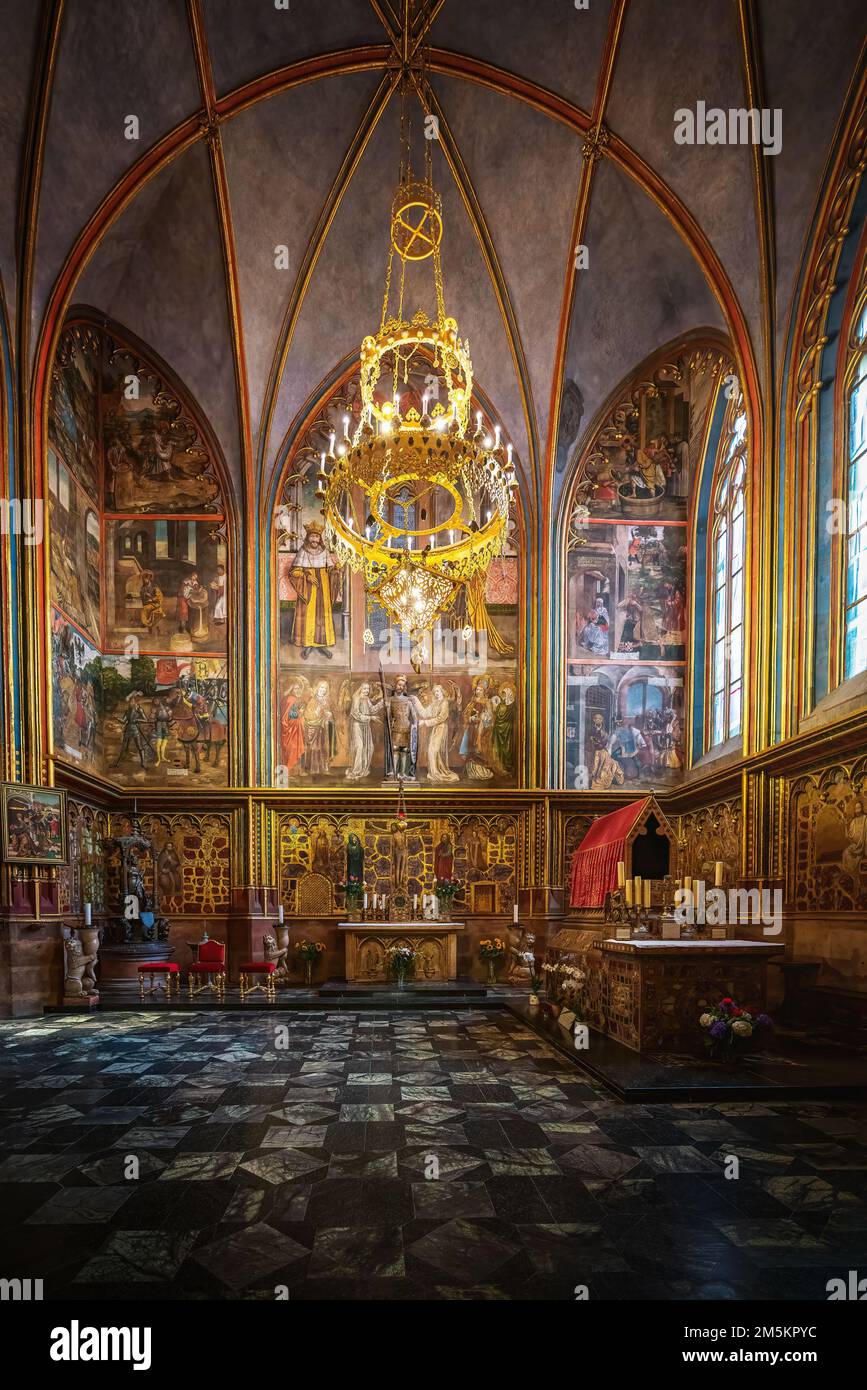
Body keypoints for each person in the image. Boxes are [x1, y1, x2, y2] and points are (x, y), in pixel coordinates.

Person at [286, 522, 342, 659]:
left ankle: (323, 644)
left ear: (320, 538)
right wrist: (307, 575)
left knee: (323, 614)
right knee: (308, 614)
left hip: (323, 585)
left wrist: (335, 569)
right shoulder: (303, 551)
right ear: (308, 537)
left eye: (317, 537)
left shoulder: (325, 551)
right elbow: (293, 572)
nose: (314, 540)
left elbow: (330, 567)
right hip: (308, 587)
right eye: (312, 536)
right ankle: (308, 643)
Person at [417, 684, 458, 783]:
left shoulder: (444, 703)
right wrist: (416, 702)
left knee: (433, 750)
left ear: (442, 692)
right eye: (435, 692)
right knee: (431, 750)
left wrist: (425, 722)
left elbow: (441, 718)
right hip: (434, 729)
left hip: (441, 728)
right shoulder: (434, 703)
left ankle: (437, 772)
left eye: (438, 691)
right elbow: (425, 713)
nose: (436, 693)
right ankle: (434, 772)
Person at [345, 681, 381, 780]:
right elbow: (356, 714)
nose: (366, 691)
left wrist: (382, 703)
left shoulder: (367, 699)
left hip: (366, 726)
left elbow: (372, 710)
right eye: (364, 688)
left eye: (368, 689)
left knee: (369, 747)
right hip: (358, 726)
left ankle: (363, 769)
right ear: (361, 689)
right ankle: (356, 771)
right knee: (360, 747)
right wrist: (370, 718)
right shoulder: (357, 699)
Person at [385, 674, 418, 780]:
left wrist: (414, 727)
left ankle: (403, 773)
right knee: (395, 750)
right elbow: (387, 717)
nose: (401, 687)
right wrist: (387, 711)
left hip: (406, 729)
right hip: (395, 729)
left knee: (404, 751)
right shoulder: (390, 700)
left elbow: (414, 717)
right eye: (399, 685)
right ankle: (395, 772)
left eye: (403, 686)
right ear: (395, 685)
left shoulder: (408, 701)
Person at [303, 680, 335, 776]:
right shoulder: (313, 700)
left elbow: (330, 714)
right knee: (315, 748)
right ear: (317, 688)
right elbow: (307, 715)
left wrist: (329, 715)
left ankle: (325, 768)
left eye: (325, 688)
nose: (323, 690)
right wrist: (317, 712)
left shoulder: (327, 701)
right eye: (321, 687)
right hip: (315, 728)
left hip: (325, 727)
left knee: (325, 747)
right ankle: (314, 769)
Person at [280, 681, 306, 776]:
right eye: (295, 688)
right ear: (291, 690)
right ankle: (292, 772)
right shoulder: (293, 700)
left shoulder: (288, 699)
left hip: (291, 729)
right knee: (294, 750)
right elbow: (292, 716)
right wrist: (301, 712)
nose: (298, 690)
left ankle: (292, 772)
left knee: (292, 750)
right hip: (292, 730)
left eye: (299, 688)